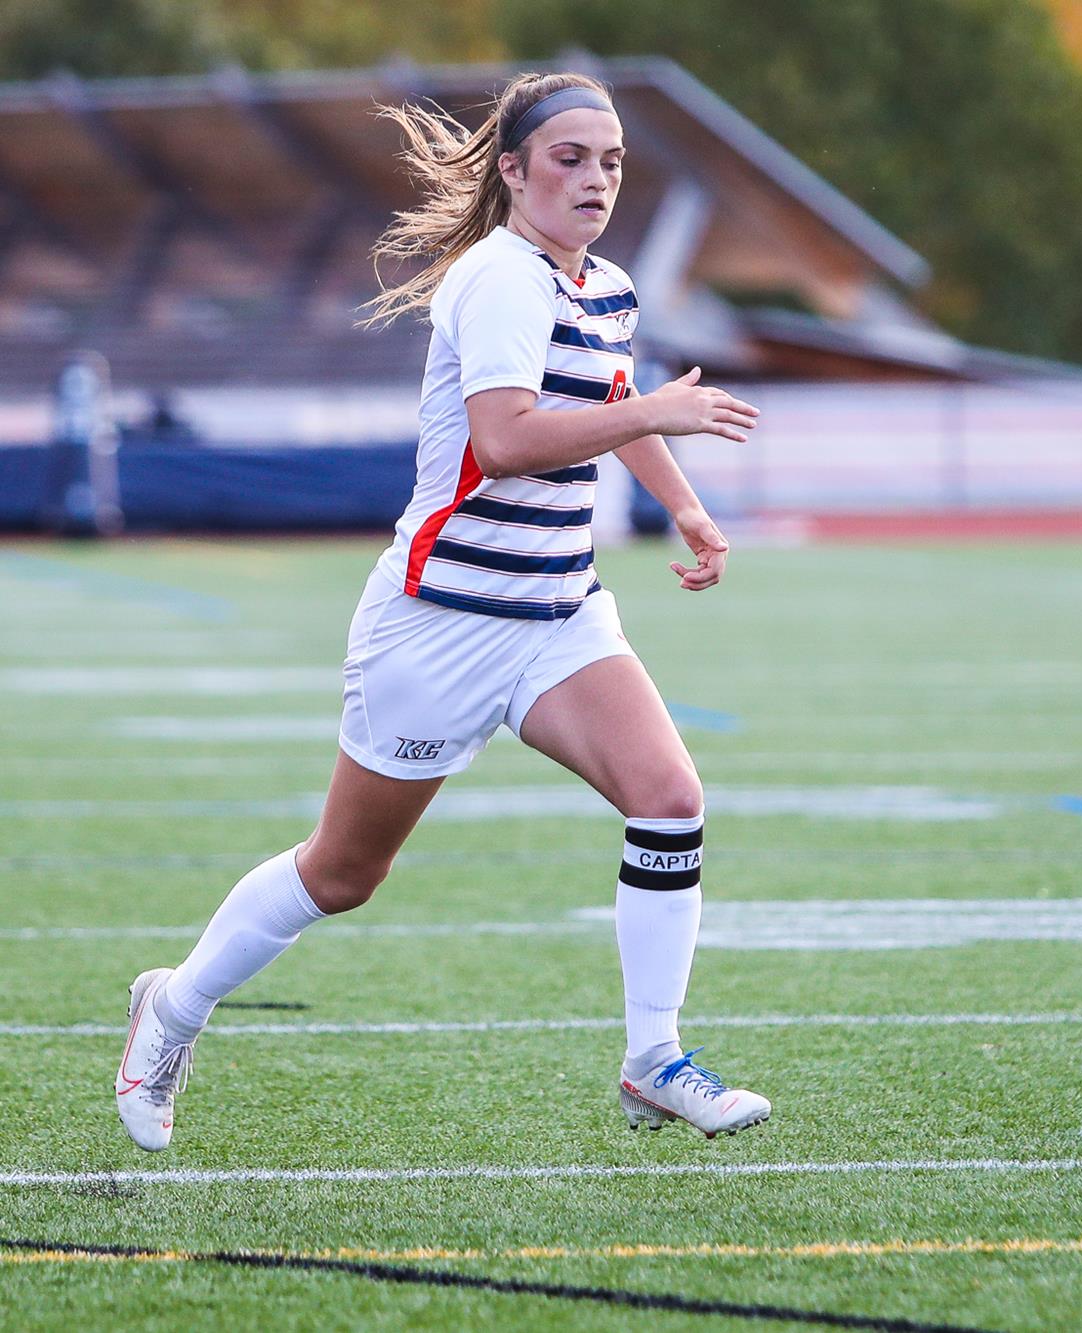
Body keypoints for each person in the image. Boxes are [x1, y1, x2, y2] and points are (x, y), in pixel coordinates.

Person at [113, 72, 769, 1150]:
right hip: (442, 623)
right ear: (512, 171)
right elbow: (508, 437)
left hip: (558, 613)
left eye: (610, 160)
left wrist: (684, 504)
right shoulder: (498, 280)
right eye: (570, 157)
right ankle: (172, 1006)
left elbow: (606, 402)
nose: (596, 177)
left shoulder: (603, 282)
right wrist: (659, 409)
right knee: (343, 871)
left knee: (667, 797)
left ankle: (654, 1059)